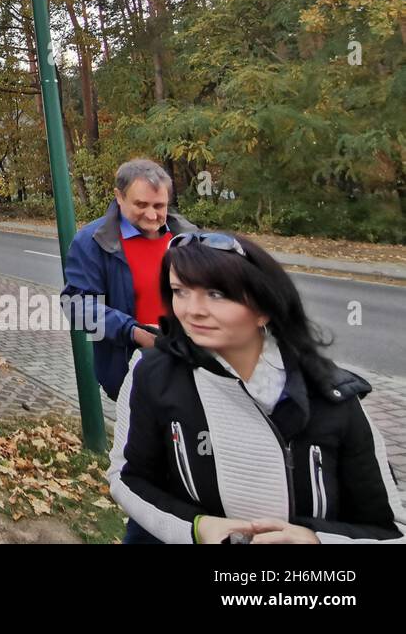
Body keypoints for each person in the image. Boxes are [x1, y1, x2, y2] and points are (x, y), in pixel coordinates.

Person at [108, 231, 406, 544]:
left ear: (263, 309)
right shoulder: (153, 374)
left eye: (215, 294)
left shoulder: (332, 395)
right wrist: (196, 528)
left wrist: (315, 539)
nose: (192, 310)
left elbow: (390, 531)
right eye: (179, 291)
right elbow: (128, 477)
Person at [61, 158, 196, 400]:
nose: (152, 215)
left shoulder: (188, 236)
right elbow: (77, 304)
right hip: (133, 371)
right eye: (141, 205)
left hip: (191, 366)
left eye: (159, 205)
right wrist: (132, 332)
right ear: (119, 197)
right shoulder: (93, 241)